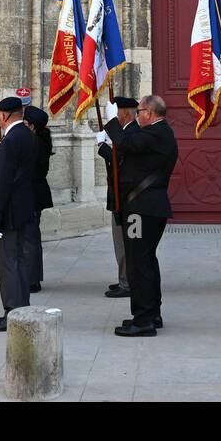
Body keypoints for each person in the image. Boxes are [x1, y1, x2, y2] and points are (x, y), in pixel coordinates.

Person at [105, 94, 178, 337]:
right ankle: (151, 313)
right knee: (146, 261)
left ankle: (143, 319)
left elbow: (126, 143)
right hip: (145, 208)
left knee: (138, 263)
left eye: (139, 112)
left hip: (142, 210)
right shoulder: (157, 133)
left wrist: (112, 122)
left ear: (149, 113)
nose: (137, 116)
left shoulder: (157, 133)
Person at [0, 97, 37, 332]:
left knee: (8, 263)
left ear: (4, 115)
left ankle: (13, 311)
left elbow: (2, 183)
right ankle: (22, 308)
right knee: (21, 262)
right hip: (25, 208)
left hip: (10, 212)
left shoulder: (9, 142)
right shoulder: (27, 136)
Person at [97, 96, 138, 298]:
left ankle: (128, 282)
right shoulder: (126, 133)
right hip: (119, 198)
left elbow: (122, 161)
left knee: (125, 244)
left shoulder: (131, 132)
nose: (115, 117)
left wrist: (103, 148)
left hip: (126, 200)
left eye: (116, 113)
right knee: (121, 243)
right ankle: (124, 278)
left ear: (125, 113)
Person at [23, 105, 54, 293]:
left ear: (33, 127)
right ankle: (32, 277)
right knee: (31, 237)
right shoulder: (39, 140)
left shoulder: (34, 143)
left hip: (31, 194)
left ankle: (33, 279)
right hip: (35, 194)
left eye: (25, 123)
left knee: (31, 238)